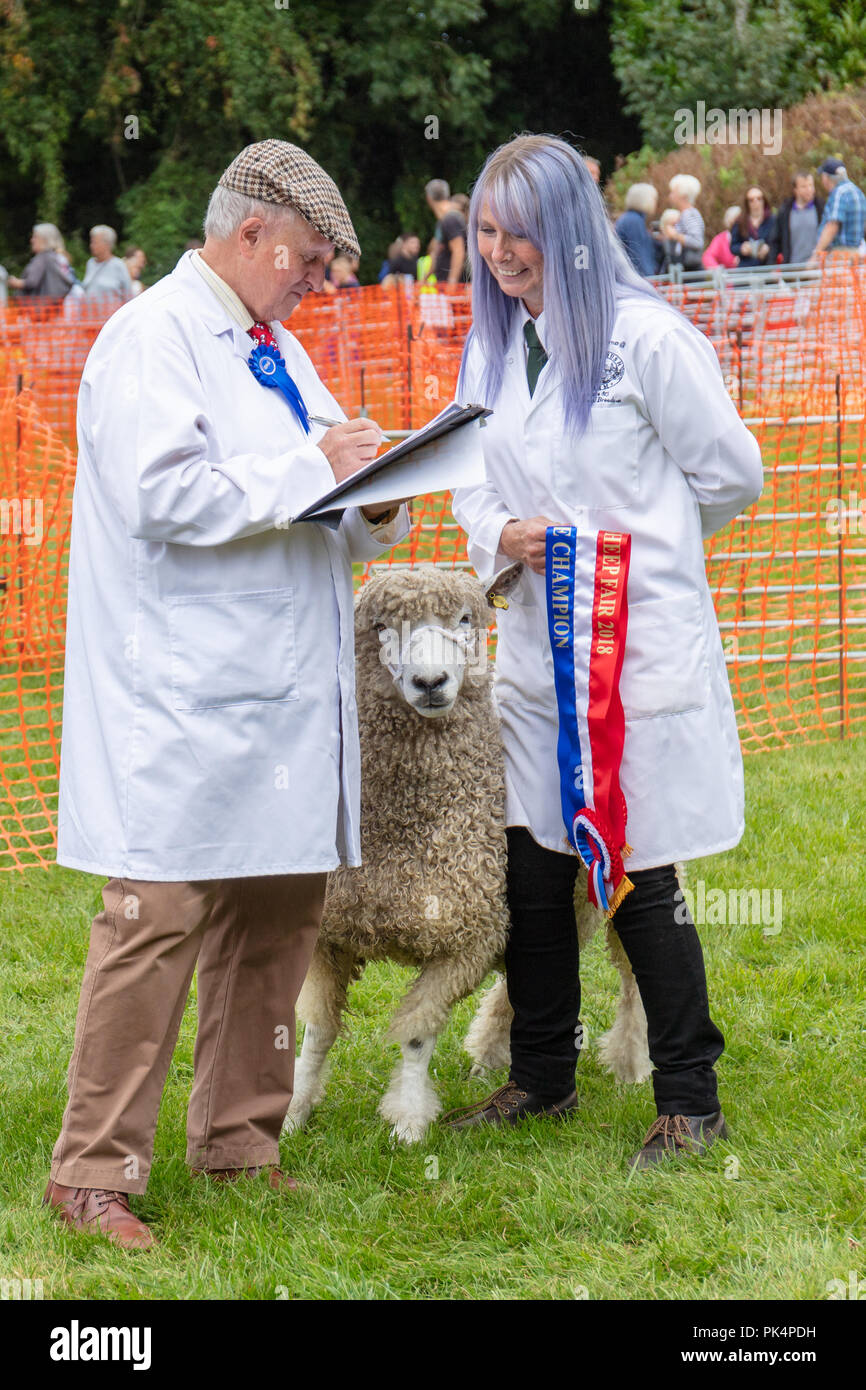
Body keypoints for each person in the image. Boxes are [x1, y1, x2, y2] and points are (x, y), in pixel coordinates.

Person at [42, 139, 410, 1250]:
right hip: (182, 692)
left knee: (278, 913)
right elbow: (166, 495)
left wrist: (375, 498)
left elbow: (315, 491)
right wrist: (317, 464)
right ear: (249, 233)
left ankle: (240, 1141)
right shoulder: (151, 338)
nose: (315, 283)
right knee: (154, 918)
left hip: (282, 694)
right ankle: (92, 1171)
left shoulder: (270, 346)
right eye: (304, 260)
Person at [444, 134, 763, 1170]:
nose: (499, 252)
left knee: (633, 870)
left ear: (569, 233)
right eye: (485, 230)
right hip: (534, 657)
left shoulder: (646, 341)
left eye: (518, 231)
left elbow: (730, 475)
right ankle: (540, 1075)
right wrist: (503, 536)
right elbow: (465, 479)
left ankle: (689, 1096)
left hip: (631, 655)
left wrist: (642, 556)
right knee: (531, 871)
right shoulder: (492, 346)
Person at [810, 157, 866, 261]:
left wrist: (816, 254)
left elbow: (832, 226)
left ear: (826, 177)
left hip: (840, 256)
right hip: (857, 254)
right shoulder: (858, 192)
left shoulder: (839, 193)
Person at [6, 223, 75, 297]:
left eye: (35, 237)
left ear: (45, 239)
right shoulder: (58, 257)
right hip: (55, 305)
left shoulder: (43, 258)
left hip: (38, 305)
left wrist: (15, 282)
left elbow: (31, 282)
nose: (32, 240)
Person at [772, 173, 824, 265]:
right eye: (804, 186)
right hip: (793, 269)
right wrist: (772, 265)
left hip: (817, 268)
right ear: (795, 190)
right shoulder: (785, 211)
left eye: (811, 185)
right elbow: (775, 240)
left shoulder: (821, 208)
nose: (809, 190)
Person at [425, 178, 468, 284]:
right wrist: (424, 279)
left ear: (429, 198)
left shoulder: (450, 219)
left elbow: (458, 251)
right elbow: (436, 252)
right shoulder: (443, 221)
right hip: (444, 283)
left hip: (455, 287)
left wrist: (452, 282)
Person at [615, 183, 658, 277]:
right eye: (654, 199)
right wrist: (650, 279)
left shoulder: (630, 219)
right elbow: (640, 256)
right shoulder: (634, 221)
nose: (655, 203)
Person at [82, 225, 133, 304]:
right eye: (91, 242)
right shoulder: (90, 263)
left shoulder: (118, 265)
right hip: (91, 314)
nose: (91, 246)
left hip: (111, 314)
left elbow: (128, 294)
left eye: (95, 242)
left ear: (107, 244)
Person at [730, 188, 776, 267]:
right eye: (751, 200)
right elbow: (733, 246)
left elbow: (780, 243)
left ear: (764, 200)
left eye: (759, 198)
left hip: (767, 267)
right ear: (747, 203)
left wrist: (768, 249)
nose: (755, 202)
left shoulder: (773, 220)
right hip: (746, 268)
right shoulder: (740, 221)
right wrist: (742, 248)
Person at [667, 174, 705, 270]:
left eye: (673, 192)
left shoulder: (689, 214)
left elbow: (697, 242)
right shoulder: (683, 214)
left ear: (683, 195)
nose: (670, 196)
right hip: (684, 269)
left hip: (691, 271)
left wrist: (675, 235)